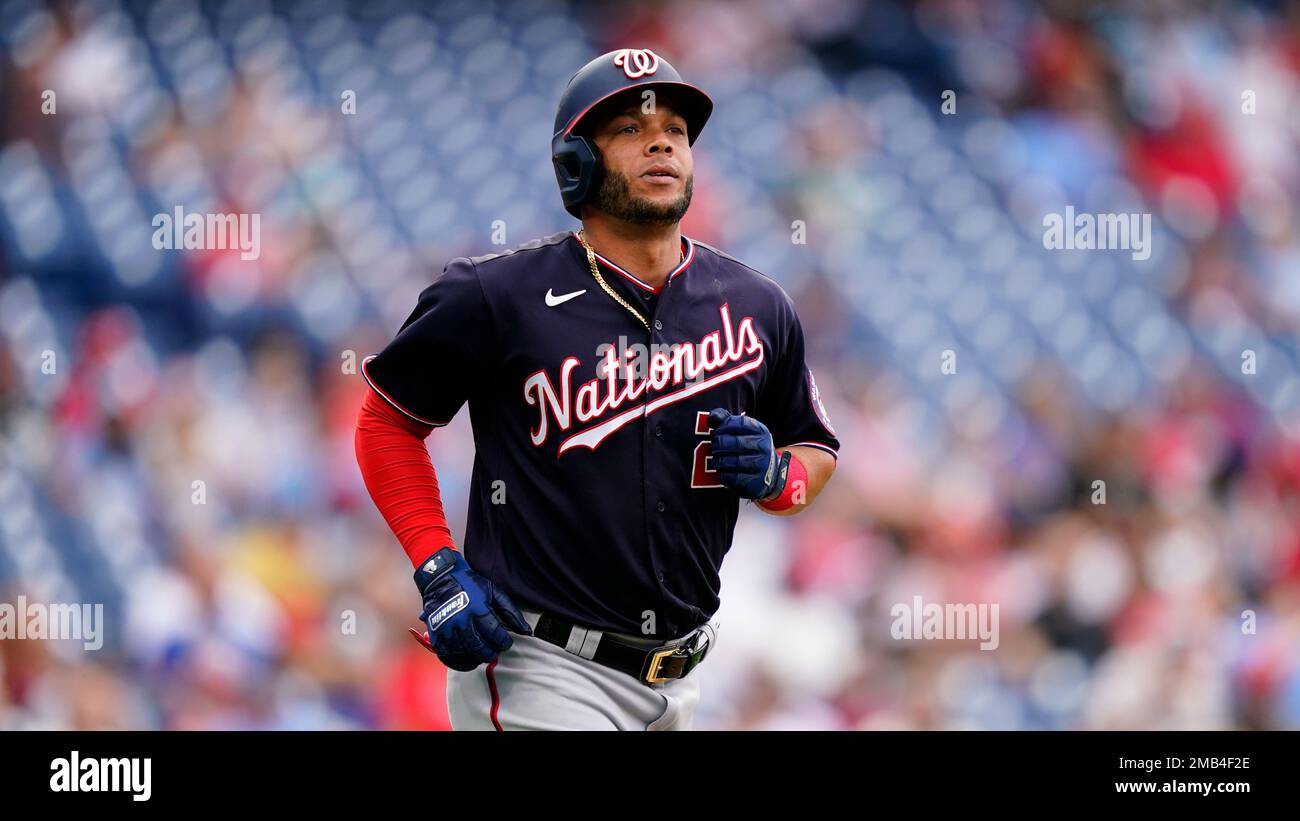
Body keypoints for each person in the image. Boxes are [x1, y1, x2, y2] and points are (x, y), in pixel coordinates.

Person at [354, 48, 839, 730]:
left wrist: (776, 476)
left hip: (685, 676)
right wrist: (436, 564)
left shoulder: (756, 305)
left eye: (674, 127)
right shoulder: (495, 294)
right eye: (630, 129)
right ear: (575, 162)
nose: (662, 139)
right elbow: (386, 422)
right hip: (543, 664)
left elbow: (814, 449)